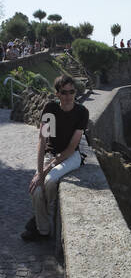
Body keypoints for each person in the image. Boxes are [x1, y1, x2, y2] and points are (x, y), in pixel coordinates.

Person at [24, 76, 88, 241]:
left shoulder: (81, 112)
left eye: (71, 92)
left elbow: (71, 148)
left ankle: (42, 218)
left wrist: (45, 171)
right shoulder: (51, 109)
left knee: (50, 180)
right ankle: (43, 231)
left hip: (71, 156)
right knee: (36, 191)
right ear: (57, 93)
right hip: (51, 155)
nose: (68, 96)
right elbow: (43, 140)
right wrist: (39, 171)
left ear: (75, 92)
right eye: (64, 92)